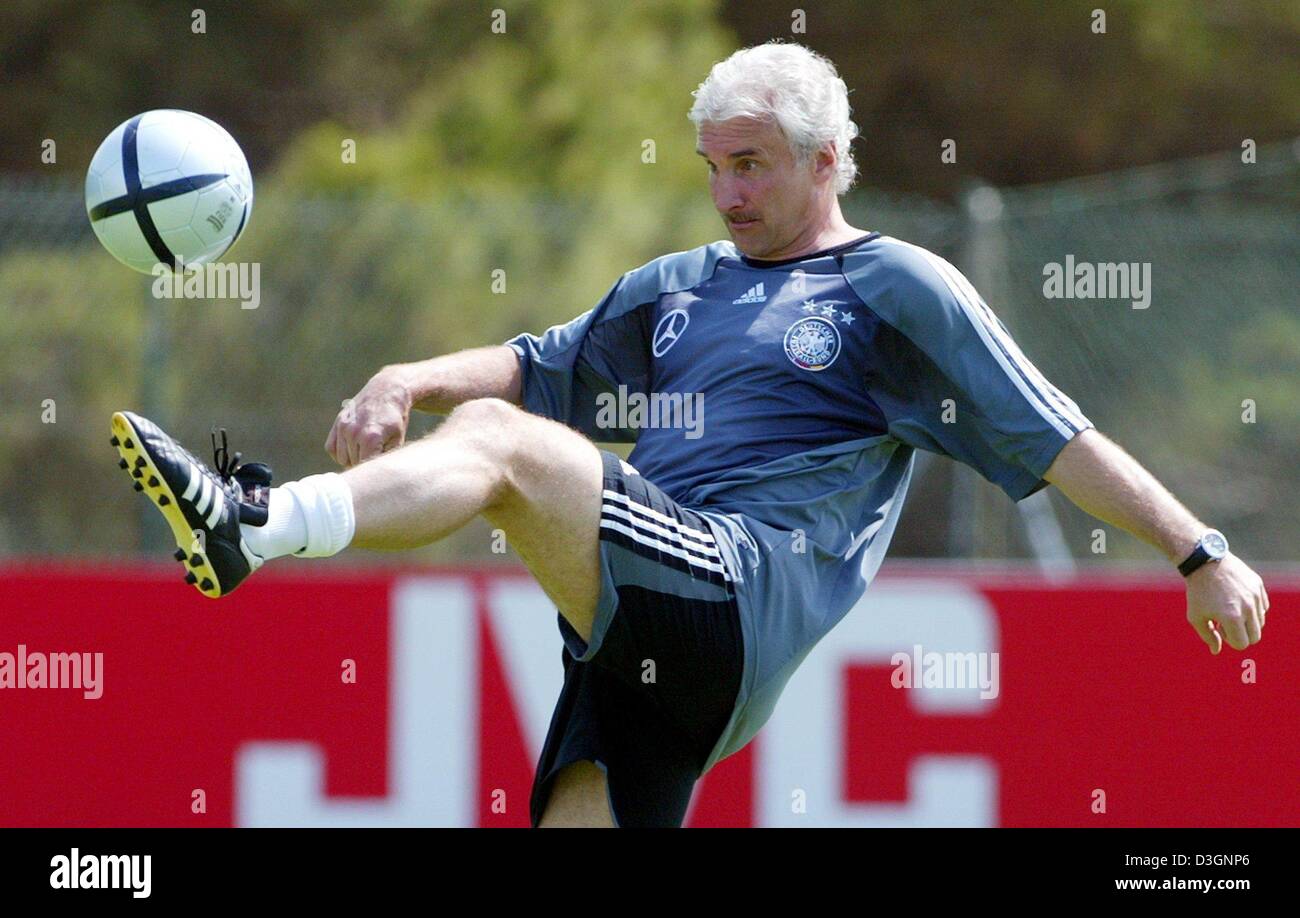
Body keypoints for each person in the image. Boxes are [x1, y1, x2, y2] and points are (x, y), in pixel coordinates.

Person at [109, 41, 1268, 828]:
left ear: (828, 161)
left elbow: (1059, 436)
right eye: (714, 167)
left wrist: (1197, 551)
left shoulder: (896, 288)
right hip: (633, 634)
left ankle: (255, 526)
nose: (726, 194)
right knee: (499, 422)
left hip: (739, 591)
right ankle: (256, 529)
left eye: (751, 166)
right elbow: (542, 363)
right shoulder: (680, 283)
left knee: (503, 446)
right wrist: (405, 374)